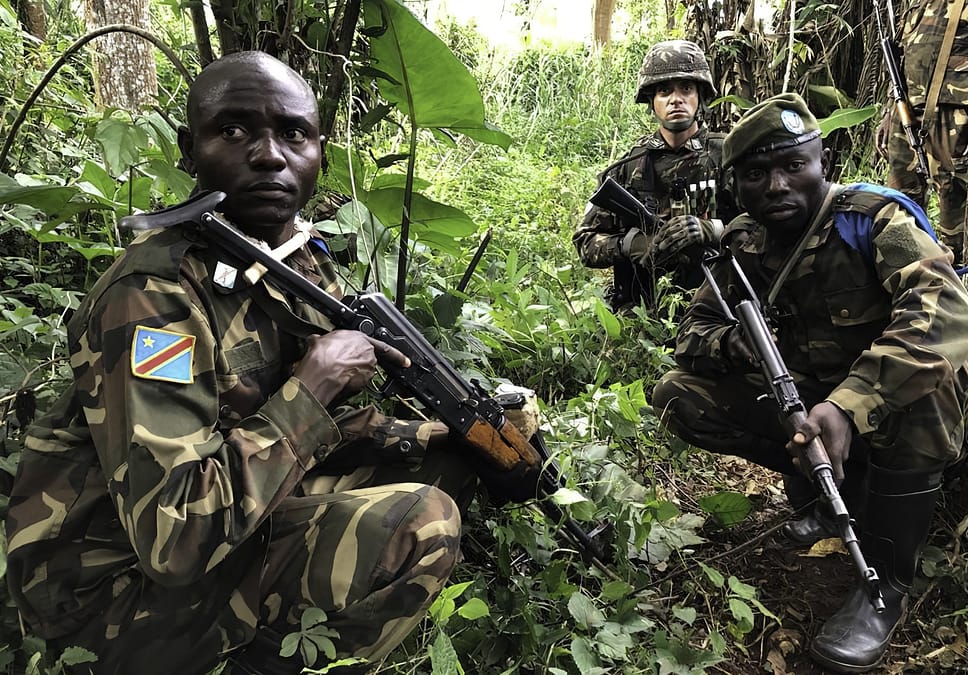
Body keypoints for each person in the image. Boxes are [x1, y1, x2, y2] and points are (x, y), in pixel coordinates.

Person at [5, 51, 474, 675]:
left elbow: (306, 435)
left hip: (228, 514)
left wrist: (437, 434)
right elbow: (173, 539)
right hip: (108, 591)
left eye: (294, 134)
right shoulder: (152, 295)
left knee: (449, 462)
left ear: (319, 151)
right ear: (189, 149)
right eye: (233, 130)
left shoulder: (293, 260)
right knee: (422, 524)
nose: (270, 155)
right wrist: (314, 385)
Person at [652, 93, 968, 672]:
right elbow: (692, 334)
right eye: (757, 174)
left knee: (928, 388)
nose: (777, 186)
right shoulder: (746, 243)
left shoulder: (873, 219)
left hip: (891, 407)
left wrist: (850, 405)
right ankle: (835, 497)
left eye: (792, 165)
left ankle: (885, 585)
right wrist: (736, 343)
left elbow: (944, 315)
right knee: (679, 395)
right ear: (737, 186)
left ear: (821, 161)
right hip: (811, 403)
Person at [573, 39, 738, 314]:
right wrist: (629, 244)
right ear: (652, 101)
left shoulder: (727, 155)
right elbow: (585, 243)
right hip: (641, 313)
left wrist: (714, 230)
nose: (676, 99)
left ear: (700, 96)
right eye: (664, 91)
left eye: (686, 89)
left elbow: (764, 228)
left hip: (716, 307)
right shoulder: (629, 166)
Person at [878, 0, 968, 265]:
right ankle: (905, 275)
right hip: (906, 111)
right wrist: (889, 112)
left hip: (954, 112)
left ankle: (956, 280)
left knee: (954, 209)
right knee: (900, 209)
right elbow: (903, 57)